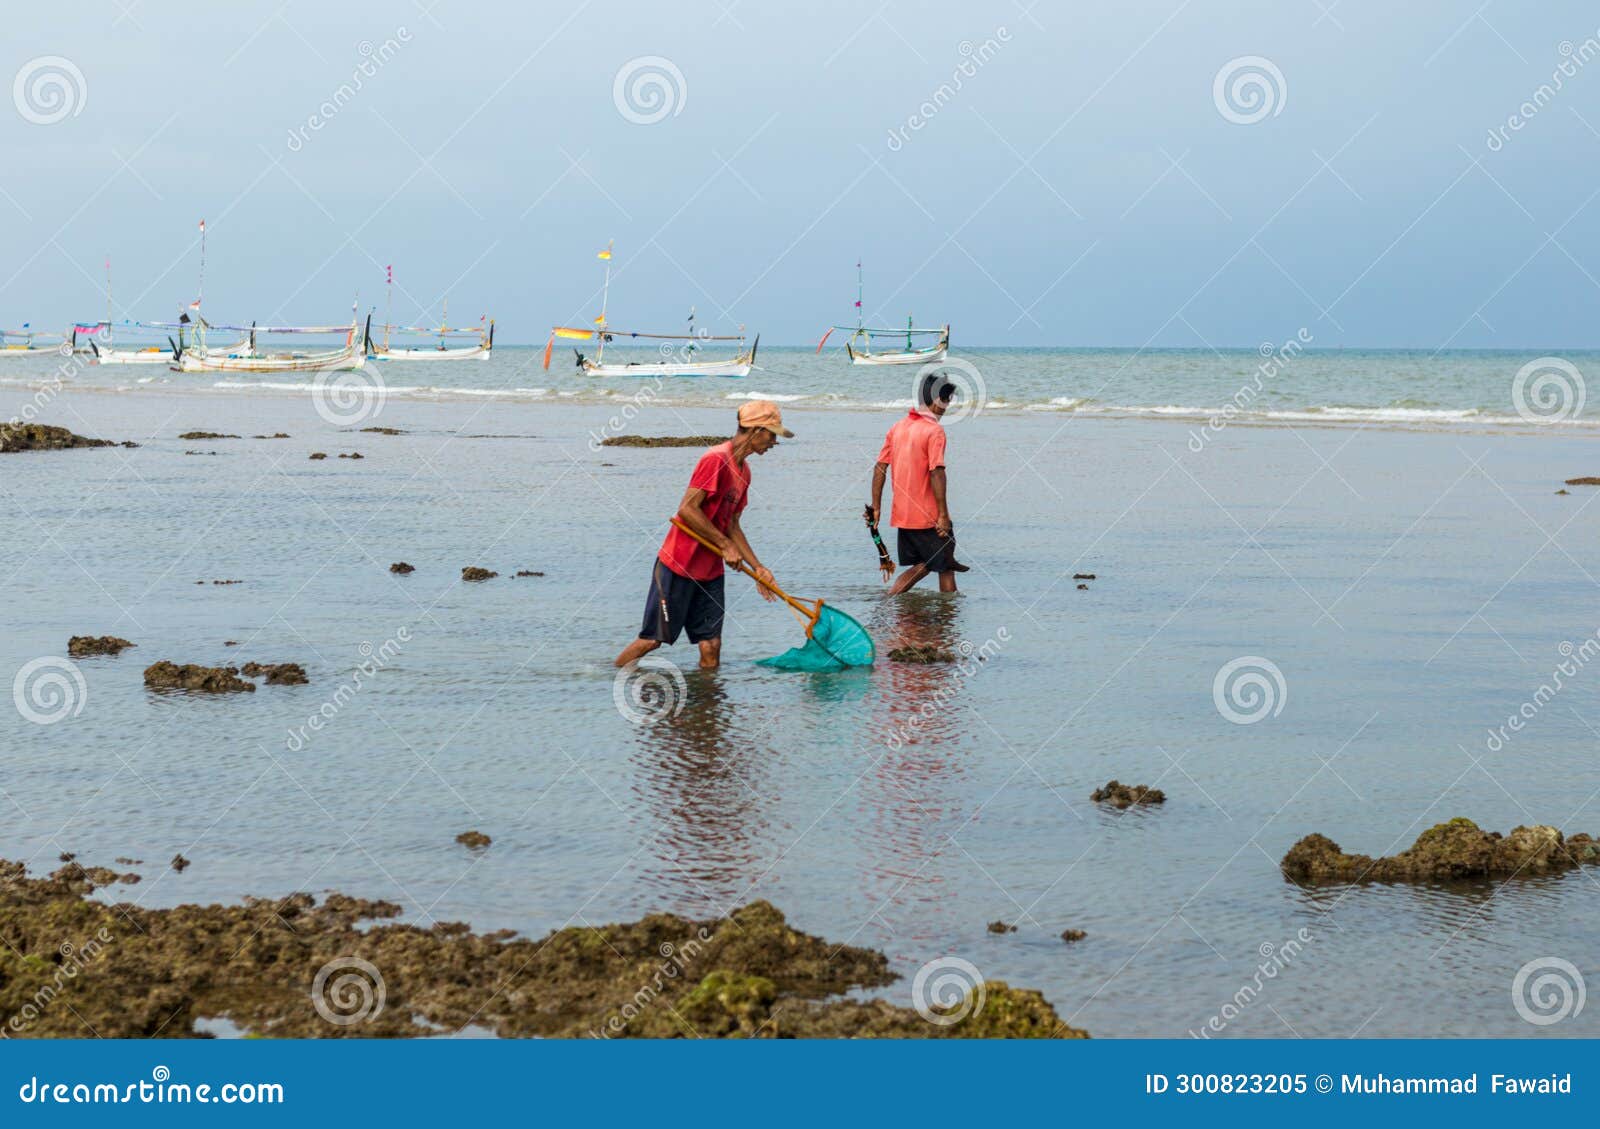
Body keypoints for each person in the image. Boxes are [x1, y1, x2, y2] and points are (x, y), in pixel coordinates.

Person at [614, 400, 791, 671]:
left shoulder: (744, 472)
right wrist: (724, 545)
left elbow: (732, 524)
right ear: (756, 430)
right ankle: (608, 681)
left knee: (711, 646)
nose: (774, 442)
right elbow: (687, 508)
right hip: (678, 566)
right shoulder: (716, 459)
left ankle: (706, 710)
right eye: (772, 434)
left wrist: (759, 567)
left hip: (710, 572)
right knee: (652, 641)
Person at [870, 372, 968, 595]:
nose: (946, 407)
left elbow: (880, 467)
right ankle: (891, 599)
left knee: (944, 564)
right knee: (933, 565)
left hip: (902, 514)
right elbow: (937, 472)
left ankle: (937, 619)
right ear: (936, 400)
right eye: (947, 400)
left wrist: (877, 507)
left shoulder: (898, 428)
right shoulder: (934, 431)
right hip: (927, 516)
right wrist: (943, 515)